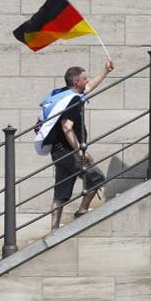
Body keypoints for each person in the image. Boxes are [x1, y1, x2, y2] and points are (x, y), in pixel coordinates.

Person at [44, 61, 115, 230]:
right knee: (96, 177)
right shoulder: (73, 101)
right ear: (77, 82)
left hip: (57, 151)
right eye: (84, 78)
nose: (87, 80)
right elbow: (67, 126)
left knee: (61, 191)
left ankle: (54, 228)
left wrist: (105, 70)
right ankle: (82, 211)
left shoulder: (63, 94)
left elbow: (90, 86)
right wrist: (81, 150)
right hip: (70, 151)